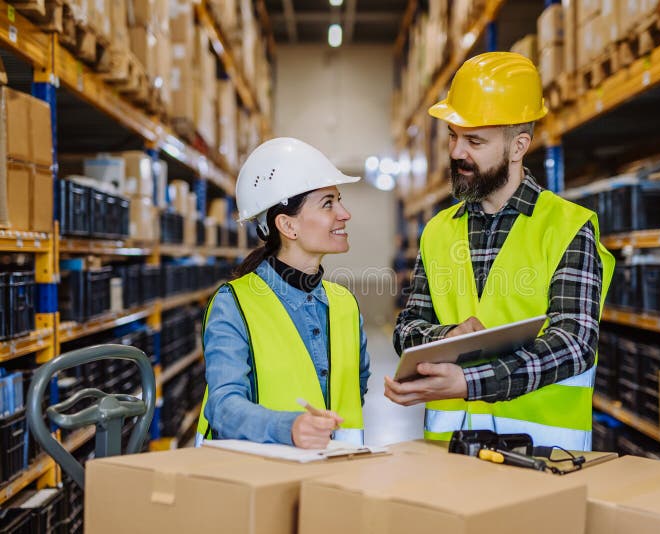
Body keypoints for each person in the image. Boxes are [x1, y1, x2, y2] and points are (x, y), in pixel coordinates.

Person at [385, 52, 615, 451]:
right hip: (450, 456)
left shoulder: (567, 228)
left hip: (542, 458)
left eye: (474, 141)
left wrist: (470, 382)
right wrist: (447, 336)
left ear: (518, 146)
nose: (457, 153)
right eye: (454, 136)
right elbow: (408, 329)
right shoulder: (438, 231)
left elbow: (574, 343)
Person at [196, 137, 370, 449]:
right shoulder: (234, 304)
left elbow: (357, 386)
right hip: (260, 484)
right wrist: (288, 427)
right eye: (328, 203)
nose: (345, 214)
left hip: (334, 479)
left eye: (339, 200)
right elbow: (223, 407)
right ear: (287, 226)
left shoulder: (345, 304)